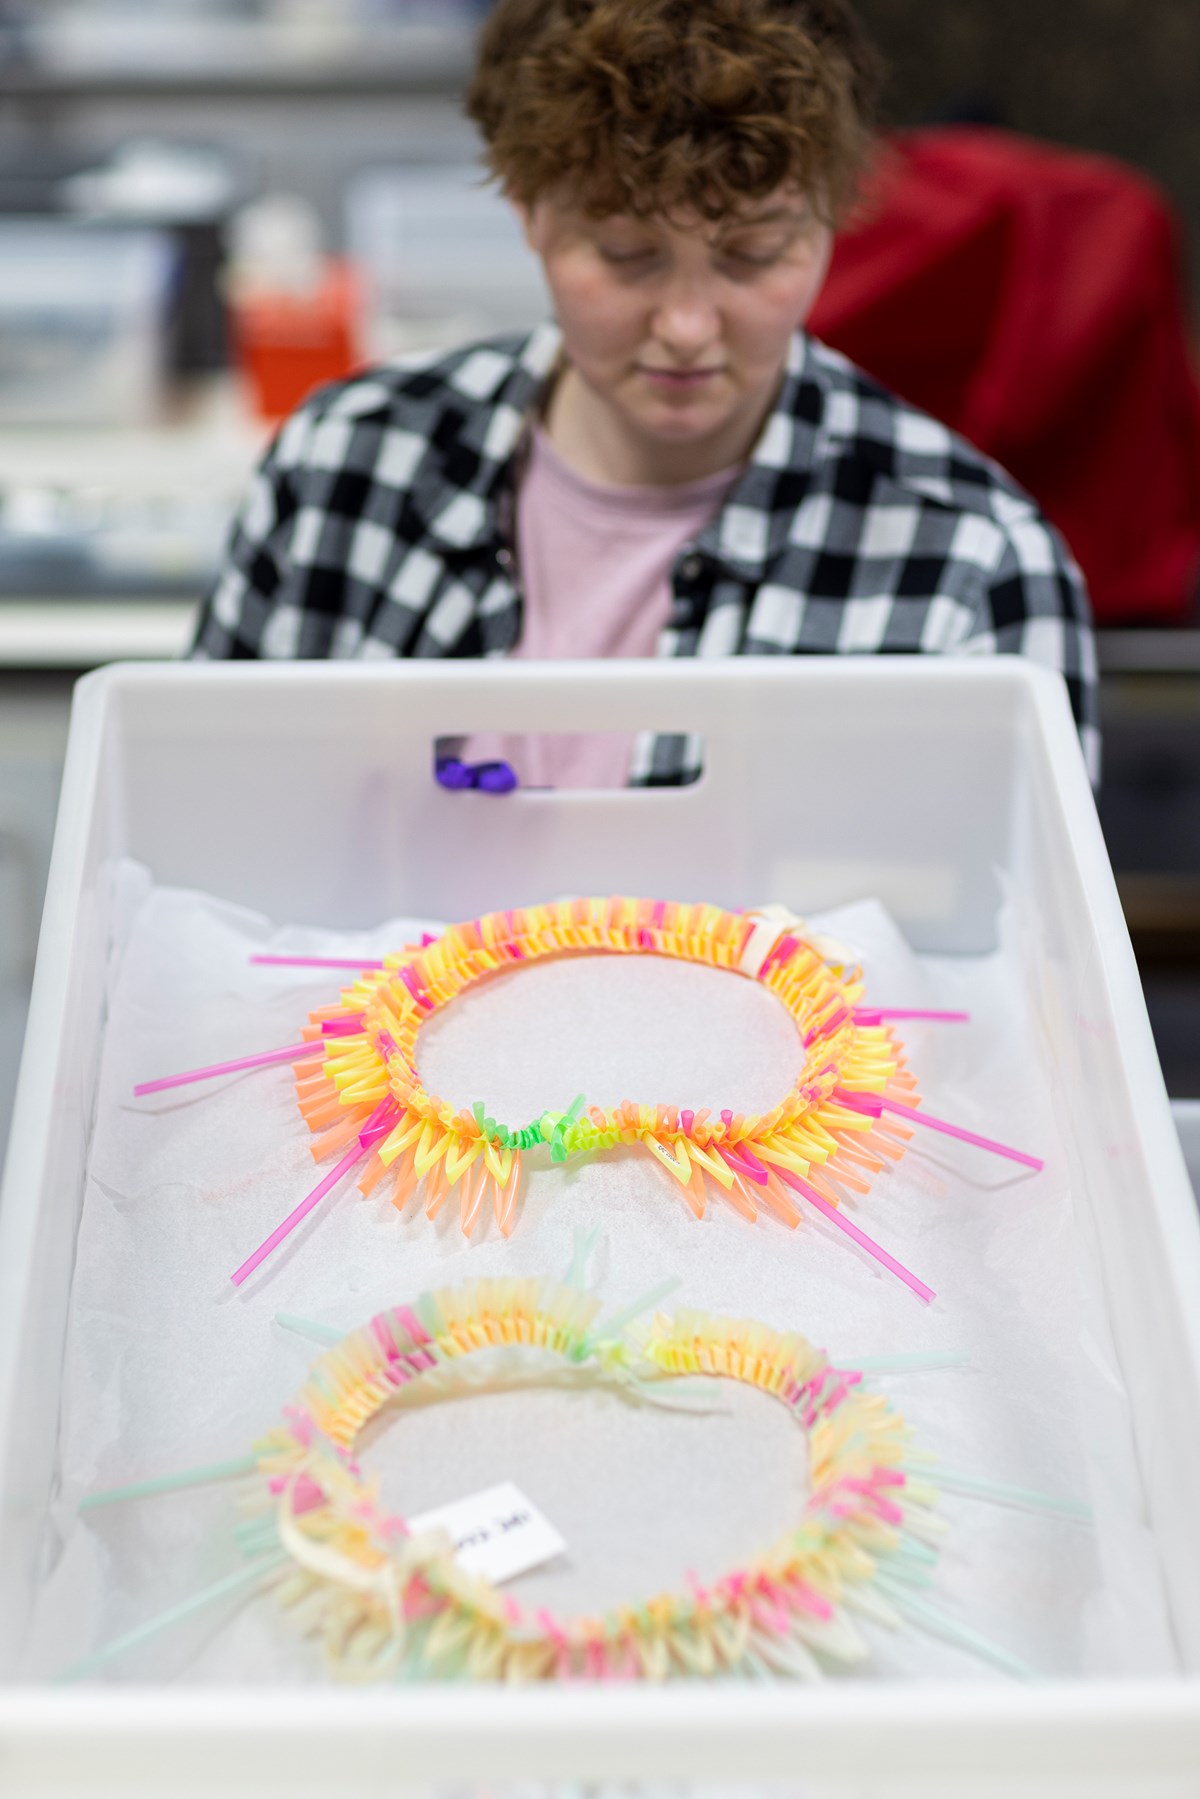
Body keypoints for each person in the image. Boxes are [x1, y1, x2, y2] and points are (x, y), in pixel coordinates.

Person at [191, 0, 1099, 789]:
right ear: (527, 210)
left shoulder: (970, 561)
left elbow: (1013, 961)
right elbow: (203, 835)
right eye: (628, 255)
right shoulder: (345, 469)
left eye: (754, 254)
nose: (689, 326)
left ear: (828, 221)